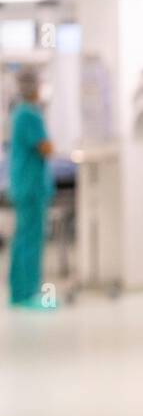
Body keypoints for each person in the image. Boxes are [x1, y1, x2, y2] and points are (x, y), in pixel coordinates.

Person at [7, 69, 53, 308]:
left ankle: (17, 292)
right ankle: (30, 294)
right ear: (35, 87)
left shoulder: (18, 114)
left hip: (22, 184)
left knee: (21, 237)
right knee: (31, 239)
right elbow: (46, 147)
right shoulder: (30, 115)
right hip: (31, 187)